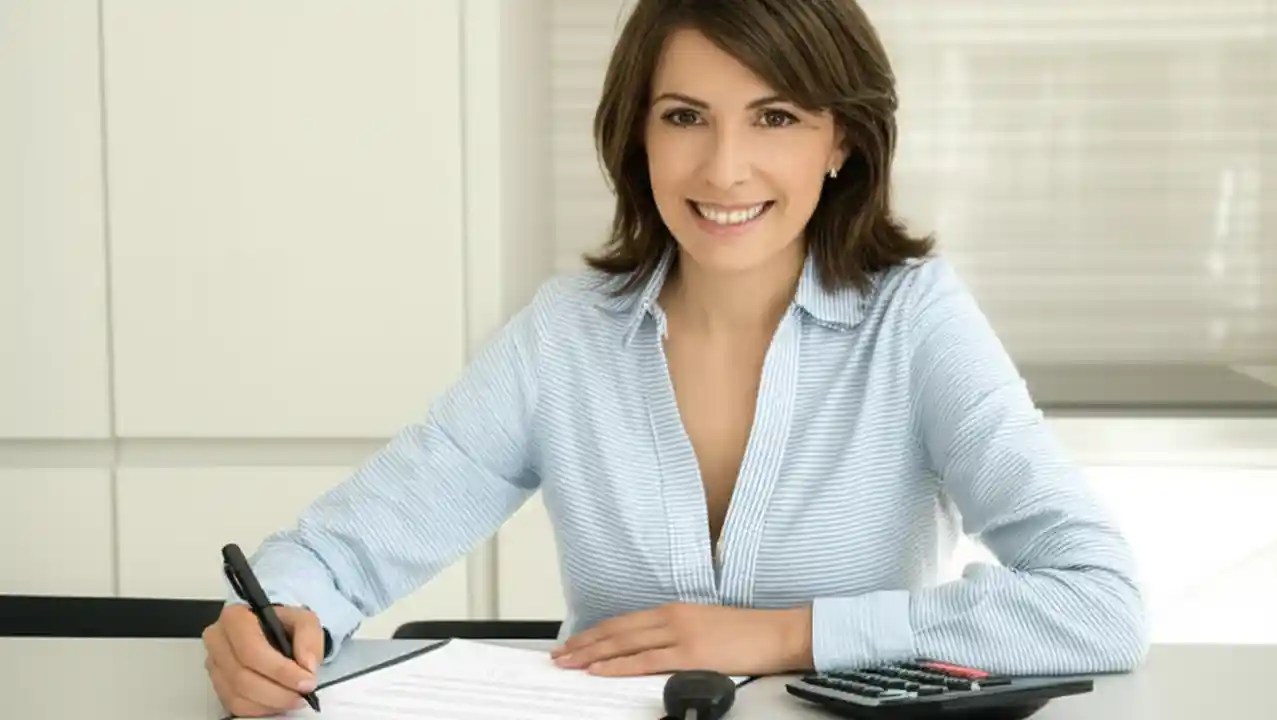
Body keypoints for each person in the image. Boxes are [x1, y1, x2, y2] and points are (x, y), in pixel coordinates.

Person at [202, 0, 1149, 715]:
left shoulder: (914, 322)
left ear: (841, 140)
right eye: (685, 116)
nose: (723, 168)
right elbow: (342, 553)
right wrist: (274, 617)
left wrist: (787, 636)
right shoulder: (565, 334)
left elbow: (1097, 601)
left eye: (774, 117)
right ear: (638, 135)